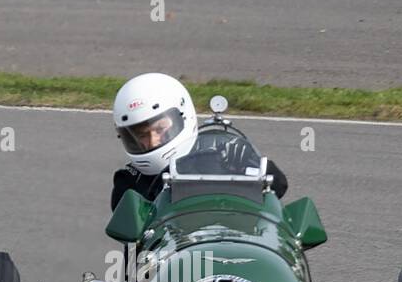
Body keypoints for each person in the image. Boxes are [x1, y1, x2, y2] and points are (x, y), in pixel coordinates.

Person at [109, 72, 288, 210]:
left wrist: (250, 163)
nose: (153, 141)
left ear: (183, 116)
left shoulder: (221, 156)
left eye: (160, 129)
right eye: (141, 135)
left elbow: (279, 186)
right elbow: (125, 217)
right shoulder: (130, 181)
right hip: (169, 252)